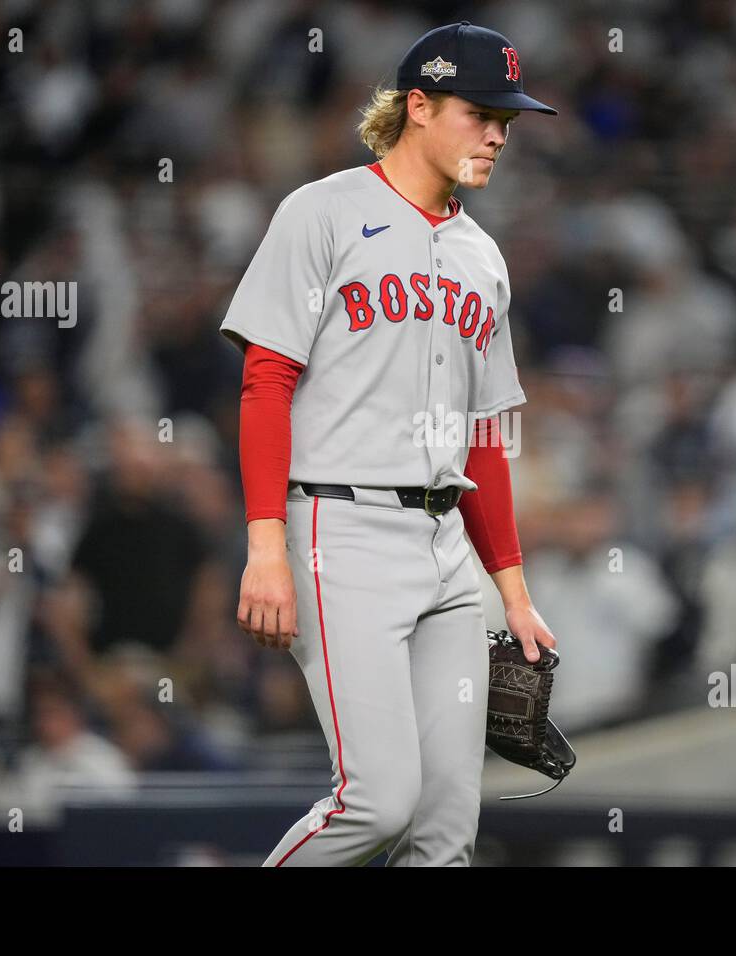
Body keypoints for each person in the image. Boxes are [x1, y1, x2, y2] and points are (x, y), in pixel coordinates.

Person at [219, 22, 559, 866]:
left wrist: (512, 594)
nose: (496, 135)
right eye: (481, 113)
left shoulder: (484, 257)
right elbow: (266, 385)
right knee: (376, 803)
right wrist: (266, 544)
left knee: (446, 833)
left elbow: (483, 438)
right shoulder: (325, 211)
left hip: (448, 551)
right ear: (419, 104)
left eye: (507, 122)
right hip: (340, 528)